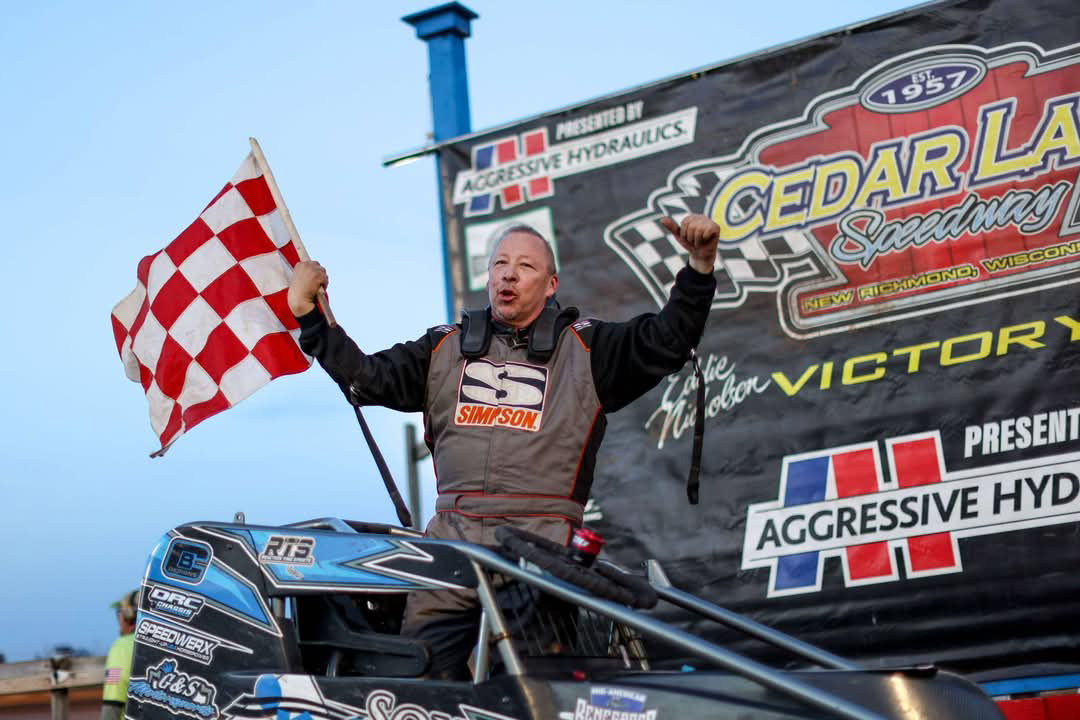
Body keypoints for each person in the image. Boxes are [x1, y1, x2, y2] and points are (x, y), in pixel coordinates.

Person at [288, 214, 720, 677]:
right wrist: (311, 317)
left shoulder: (589, 347)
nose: (509, 274)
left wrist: (699, 266)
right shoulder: (443, 347)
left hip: (540, 549)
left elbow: (667, 341)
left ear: (551, 285)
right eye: (500, 264)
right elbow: (366, 378)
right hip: (451, 545)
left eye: (525, 266)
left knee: (529, 689)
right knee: (421, 685)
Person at [101, 590, 137, 720]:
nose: (118, 619)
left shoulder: (121, 647)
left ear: (129, 616)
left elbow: (113, 698)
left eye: (119, 613)